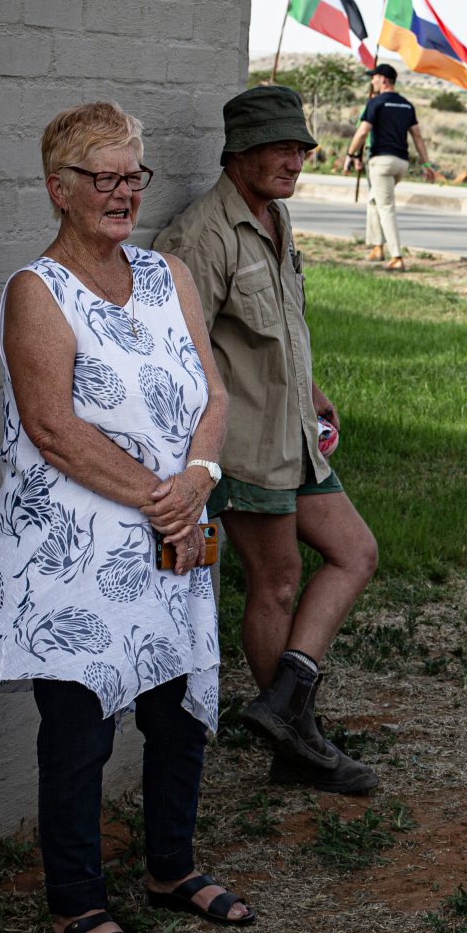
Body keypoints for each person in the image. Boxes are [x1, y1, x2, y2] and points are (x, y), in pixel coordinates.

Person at [0, 101, 252, 933]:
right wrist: (161, 497)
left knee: (176, 708)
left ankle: (171, 865)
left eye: (132, 174)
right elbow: (52, 426)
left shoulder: (168, 275)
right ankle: (75, 901)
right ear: (58, 189)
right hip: (79, 549)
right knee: (81, 727)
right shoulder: (37, 290)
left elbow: (214, 395)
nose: (122, 192)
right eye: (102, 177)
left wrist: (198, 479)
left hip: (174, 526)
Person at [154, 86, 381, 795]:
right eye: (282, 148)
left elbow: (280, 324)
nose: (296, 161)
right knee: (277, 581)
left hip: (294, 432)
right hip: (245, 444)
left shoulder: (275, 218)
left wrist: (311, 390)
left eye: (302, 149)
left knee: (355, 552)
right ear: (239, 152)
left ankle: (286, 704)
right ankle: (297, 742)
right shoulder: (200, 237)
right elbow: (176, 355)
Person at [343, 64, 427, 273]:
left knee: (386, 207)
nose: (372, 81)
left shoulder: (376, 102)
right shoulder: (407, 105)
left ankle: (397, 256)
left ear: (384, 80)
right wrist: (426, 163)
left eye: (375, 77)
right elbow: (417, 136)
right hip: (401, 163)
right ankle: (377, 247)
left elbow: (363, 132)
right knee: (374, 201)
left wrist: (350, 154)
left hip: (382, 163)